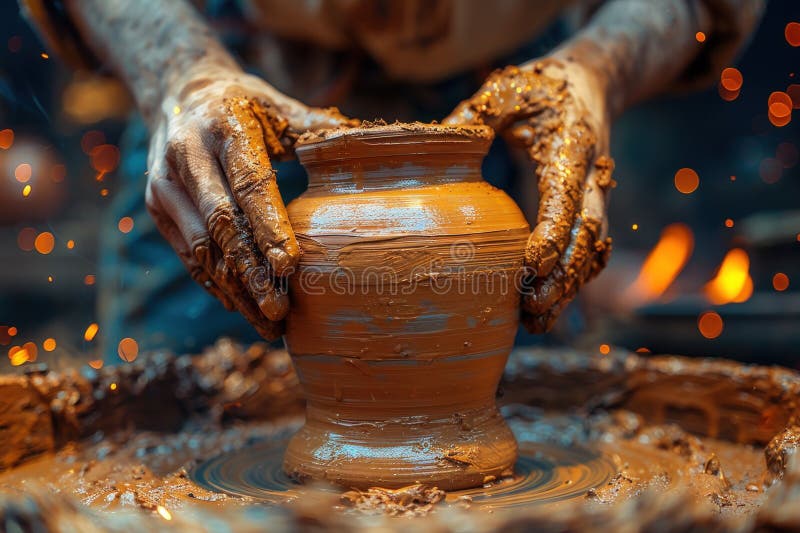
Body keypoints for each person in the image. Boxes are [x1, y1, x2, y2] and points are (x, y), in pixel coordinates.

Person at [22, 0, 762, 359]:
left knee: (539, 419)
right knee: (163, 428)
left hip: (518, 79)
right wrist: (176, 75)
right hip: (227, 63)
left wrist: (598, 68)